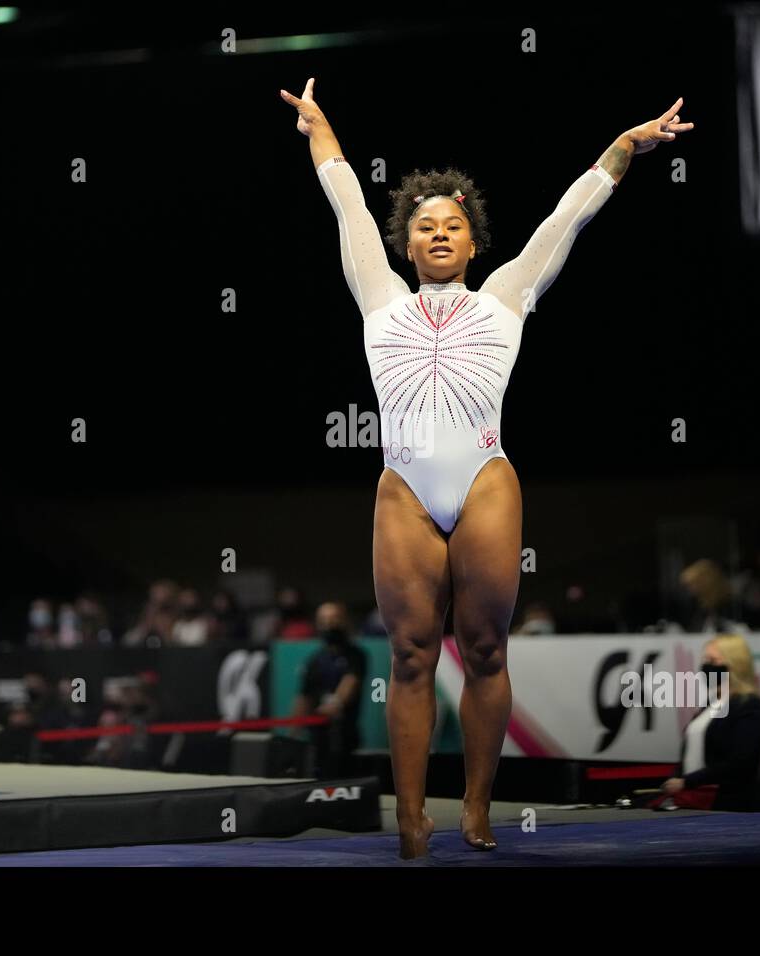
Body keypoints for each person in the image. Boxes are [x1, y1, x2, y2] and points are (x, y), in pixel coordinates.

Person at [282, 77, 693, 857]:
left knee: (485, 649)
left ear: (473, 244)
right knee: (407, 655)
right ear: (408, 246)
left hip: (483, 481)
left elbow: (566, 217)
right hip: (403, 489)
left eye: (453, 226)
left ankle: (476, 804)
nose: (438, 234)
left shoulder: (507, 295)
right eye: (425, 227)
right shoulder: (380, 298)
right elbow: (347, 206)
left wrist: (625, 148)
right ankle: (410, 817)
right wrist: (320, 128)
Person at [658, 635, 760, 811]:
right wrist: (676, 780)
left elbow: (739, 763)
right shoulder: (711, 704)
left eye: (713, 660)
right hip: (689, 797)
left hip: (721, 801)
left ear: (735, 665)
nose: (707, 666)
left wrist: (686, 782)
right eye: (705, 660)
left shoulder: (750, 707)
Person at [292, 603, 367, 777]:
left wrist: (336, 704)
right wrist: (293, 732)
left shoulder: (356, 655)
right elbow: (304, 697)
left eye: (334, 619)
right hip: (318, 738)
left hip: (345, 736)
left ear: (344, 621)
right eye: (324, 621)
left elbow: (350, 682)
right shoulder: (314, 661)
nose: (329, 625)